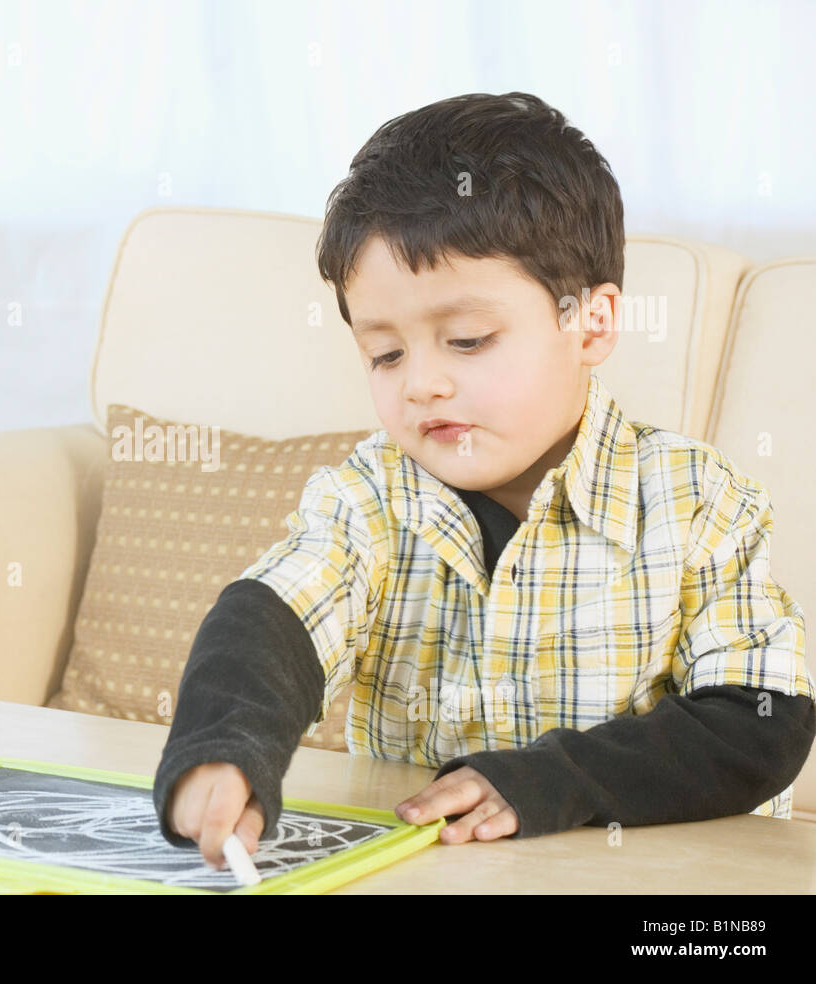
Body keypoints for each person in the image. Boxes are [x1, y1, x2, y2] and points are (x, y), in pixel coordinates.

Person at [152, 91, 816, 870]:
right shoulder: (369, 497)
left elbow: (759, 720)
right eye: (386, 354)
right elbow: (273, 620)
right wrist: (220, 748)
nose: (422, 384)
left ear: (591, 322)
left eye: (467, 340)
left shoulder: (696, 501)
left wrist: (555, 779)